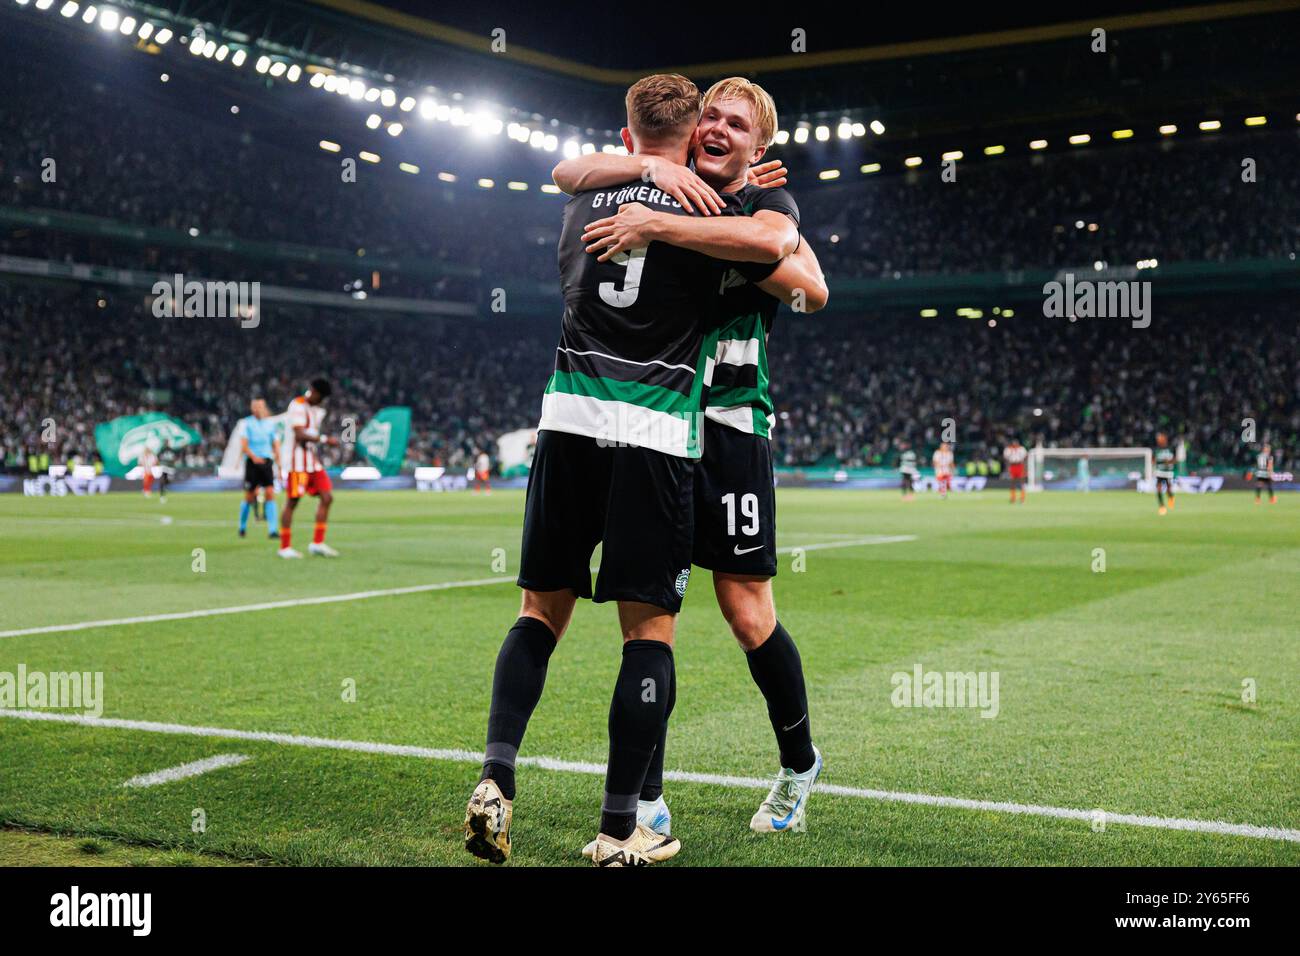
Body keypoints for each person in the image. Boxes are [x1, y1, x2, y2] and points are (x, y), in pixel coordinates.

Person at [463, 73, 801, 868]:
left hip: (567, 420)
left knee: (537, 614)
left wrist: (646, 179)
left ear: (624, 138)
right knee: (648, 634)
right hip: (654, 432)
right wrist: (714, 198)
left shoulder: (585, 199)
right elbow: (778, 253)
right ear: (690, 142)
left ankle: (495, 775)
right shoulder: (706, 207)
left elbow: (566, 171)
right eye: (707, 125)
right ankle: (621, 829)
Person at [555, 76, 829, 846]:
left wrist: (677, 230)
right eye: (710, 114)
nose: (716, 128)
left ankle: (799, 764)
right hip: (654, 425)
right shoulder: (662, 188)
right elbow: (568, 171)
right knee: (650, 614)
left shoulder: (767, 207)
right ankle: (645, 800)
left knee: (747, 614)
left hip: (733, 429)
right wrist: (648, 179)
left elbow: (810, 287)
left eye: (735, 124)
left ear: (759, 147)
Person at [278, 379, 339, 558]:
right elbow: (299, 434)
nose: (322, 401)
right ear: (314, 392)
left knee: (327, 497)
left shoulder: (313, 410)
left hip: (312, 463)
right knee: (293, 501)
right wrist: (325, 440)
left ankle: (317, 543)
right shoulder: (297, 406)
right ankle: (285, 547)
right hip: (297, 464)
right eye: (322, 397)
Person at [239, 398, 281, 539]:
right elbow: (244, 445)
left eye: (260, 406)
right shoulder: (247, 423)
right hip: (252, 463)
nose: (257, 409)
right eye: (255, 407)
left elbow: (275, 444)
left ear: (264, 408)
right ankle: (242, 527)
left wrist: (278, 462)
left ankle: (273, 530)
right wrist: (254, 457)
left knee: (270, 493)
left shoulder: (270, 424)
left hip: (266, 462)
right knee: (250, 496)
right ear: (252, 408)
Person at [1154, 432, 1176, 515]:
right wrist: (1161, 461)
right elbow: (1153, 460)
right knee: (1158, 488)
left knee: (1168, 489)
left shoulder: (1171, 449)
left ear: (1164, 440)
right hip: (1159, 472)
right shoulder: (1156, 450)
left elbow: (1175, 459)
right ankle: (1162, 506)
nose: (1159, 441)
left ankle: (1171, 497)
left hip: (1168, 472)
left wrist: (1170, 462)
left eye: (1160, 439)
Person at [1004, 438, 1028, 503]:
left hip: (1020, 465)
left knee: (1022, 482)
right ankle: (1013, 498)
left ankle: (1022, 498)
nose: (1015, 444)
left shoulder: (1022, 449)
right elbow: (1006, 460)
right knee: (1012, 483)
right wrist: (1007, 468)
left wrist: (1025, 468)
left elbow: (1025, 458)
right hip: (1012, 466)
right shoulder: (1008, 449)